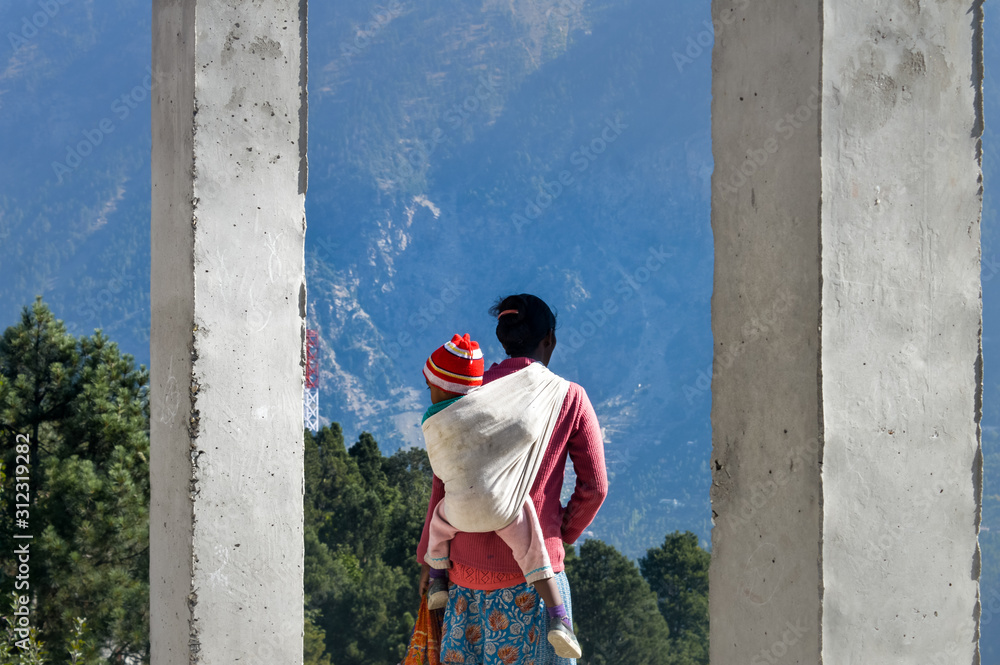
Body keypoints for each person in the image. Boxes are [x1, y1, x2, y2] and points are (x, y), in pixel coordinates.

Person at [417, 294, 608, 664]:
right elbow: (595, 488)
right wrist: (555, 533)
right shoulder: (569, 398)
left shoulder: (467, 393)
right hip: (533, 582)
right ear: (548, 339)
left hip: (461, 578)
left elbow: (444, 478)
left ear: (503, 337)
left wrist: (430, 560)